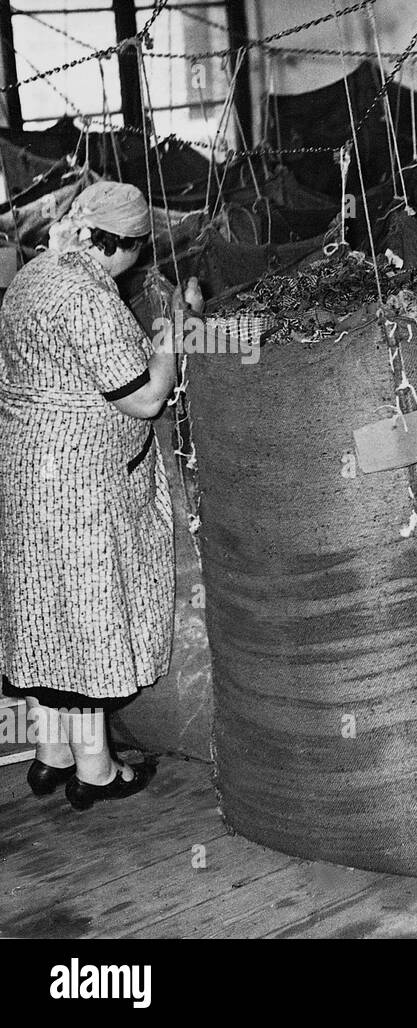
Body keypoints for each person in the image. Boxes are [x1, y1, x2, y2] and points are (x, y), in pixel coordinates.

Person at [0, 180, 198, 809]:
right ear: (127, 248)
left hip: (25, 470)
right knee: (84, 617)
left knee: (43, 613)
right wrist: (173, 333)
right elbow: (143, 397)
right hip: (77, 483)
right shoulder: (89, 295)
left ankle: (49, 753)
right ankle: (96, 770)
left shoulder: (33, 276)